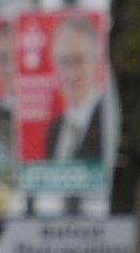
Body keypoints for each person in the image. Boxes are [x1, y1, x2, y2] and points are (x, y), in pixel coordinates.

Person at [43, 14, 106, 162]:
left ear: (96, 60)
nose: (71, 72)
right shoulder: (53, 128)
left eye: (79, 60)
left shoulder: (106, 118)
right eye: (64, 62)